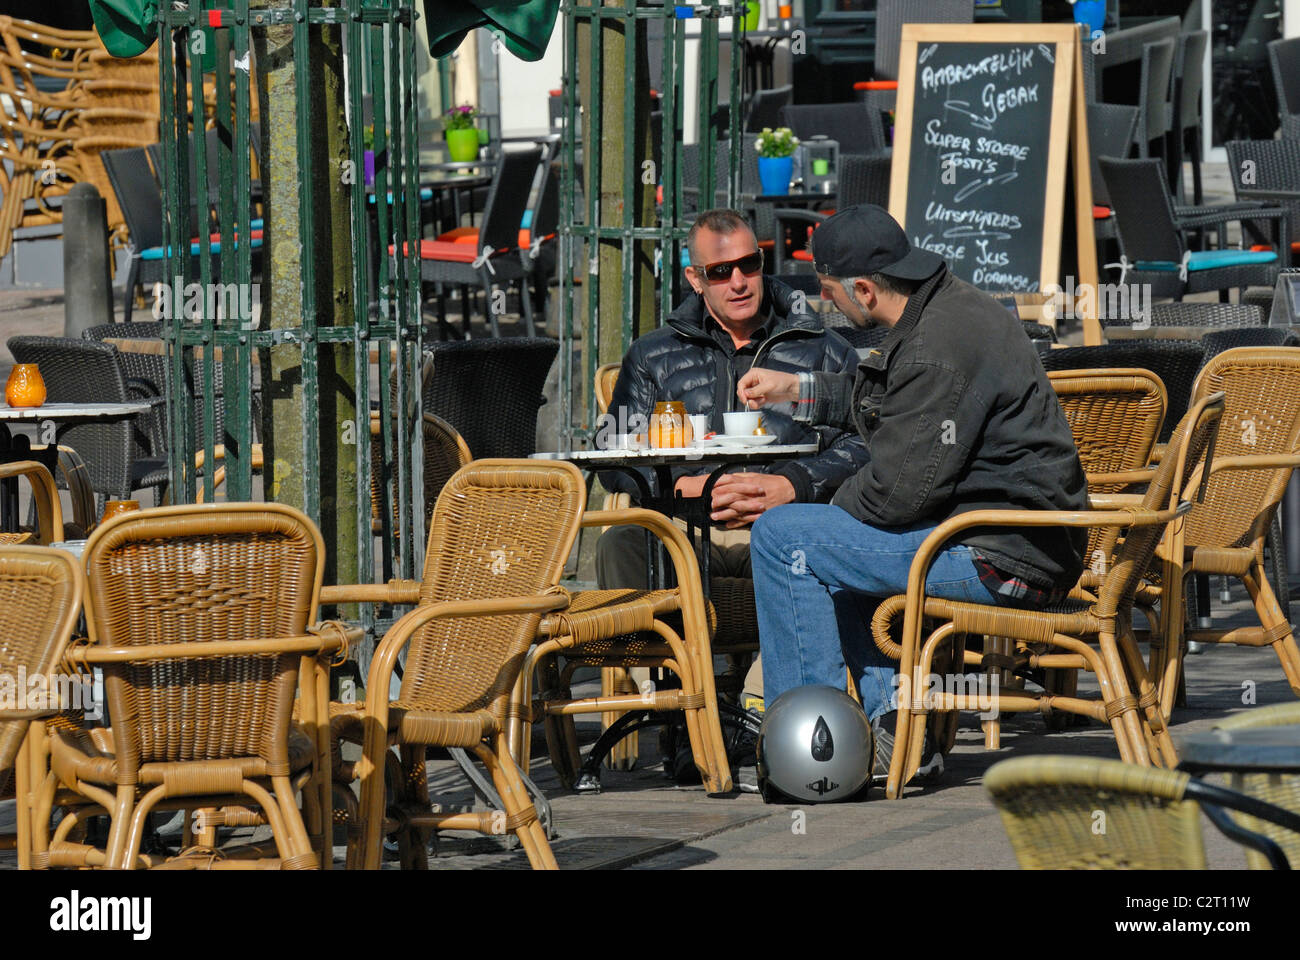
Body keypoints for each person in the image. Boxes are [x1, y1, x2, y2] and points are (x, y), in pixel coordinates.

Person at [736, 204, 1087, 779]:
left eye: (830, 293)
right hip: (1023, 540)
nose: (829, 305)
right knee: (835, 549)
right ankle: (895, 736)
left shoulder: (935, 348)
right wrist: (797, 390)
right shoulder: (949, 305)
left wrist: (807, 498)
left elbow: (894, 496)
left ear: (866, 291)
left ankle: (808, 750)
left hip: (1004, 557)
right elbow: (886, 396)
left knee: (783, 538)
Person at [596, 208, 870, 706]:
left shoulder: (823, 349)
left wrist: (791, 484)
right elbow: (613, 449)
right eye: (721, 272)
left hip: (786, 527)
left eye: (750, 264)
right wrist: (677, 488)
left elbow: (865, 443)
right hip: (689, 529)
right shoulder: (656, 353)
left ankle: (755, 709)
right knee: (622, 544)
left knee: (823, 552)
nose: (739, 281)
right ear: (695, 279)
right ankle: (675, 701)